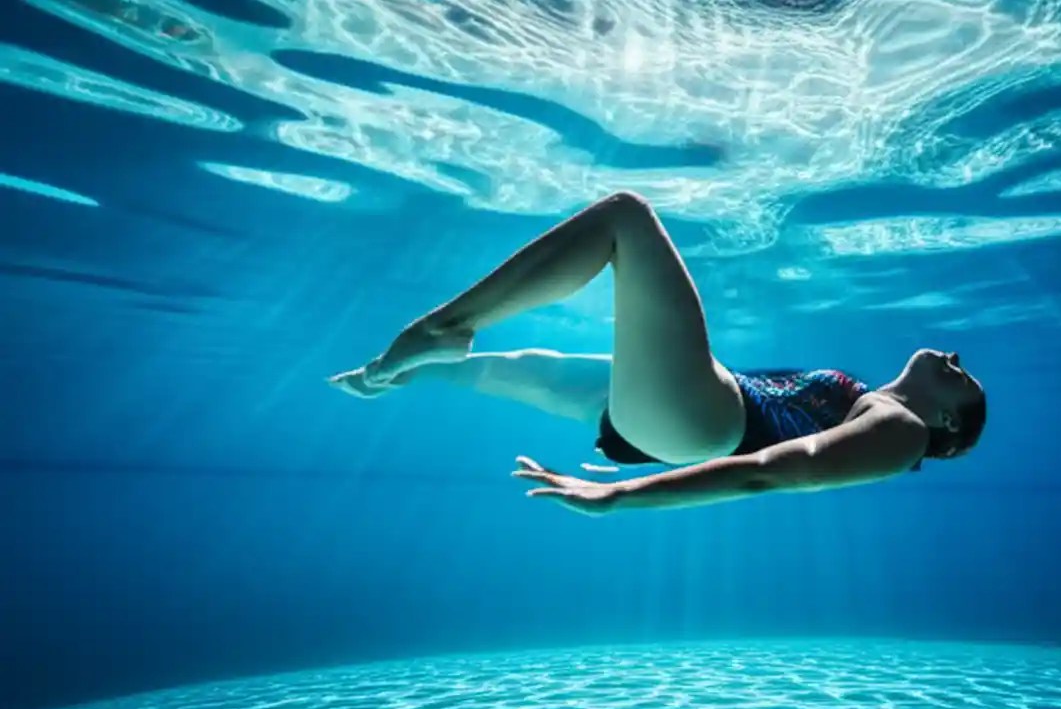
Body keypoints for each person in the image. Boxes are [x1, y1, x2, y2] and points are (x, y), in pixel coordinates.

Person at [328, 192, 986, 516]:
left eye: (965, 382)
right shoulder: (869, 400)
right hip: (680, 409)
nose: (956, 355)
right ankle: (386, 373)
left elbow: (777, 469)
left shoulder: (900, 431)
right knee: (504, 369)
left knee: (627, 219)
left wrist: (621, 498)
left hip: (709, 420)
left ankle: (443, 326)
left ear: (948, 422)